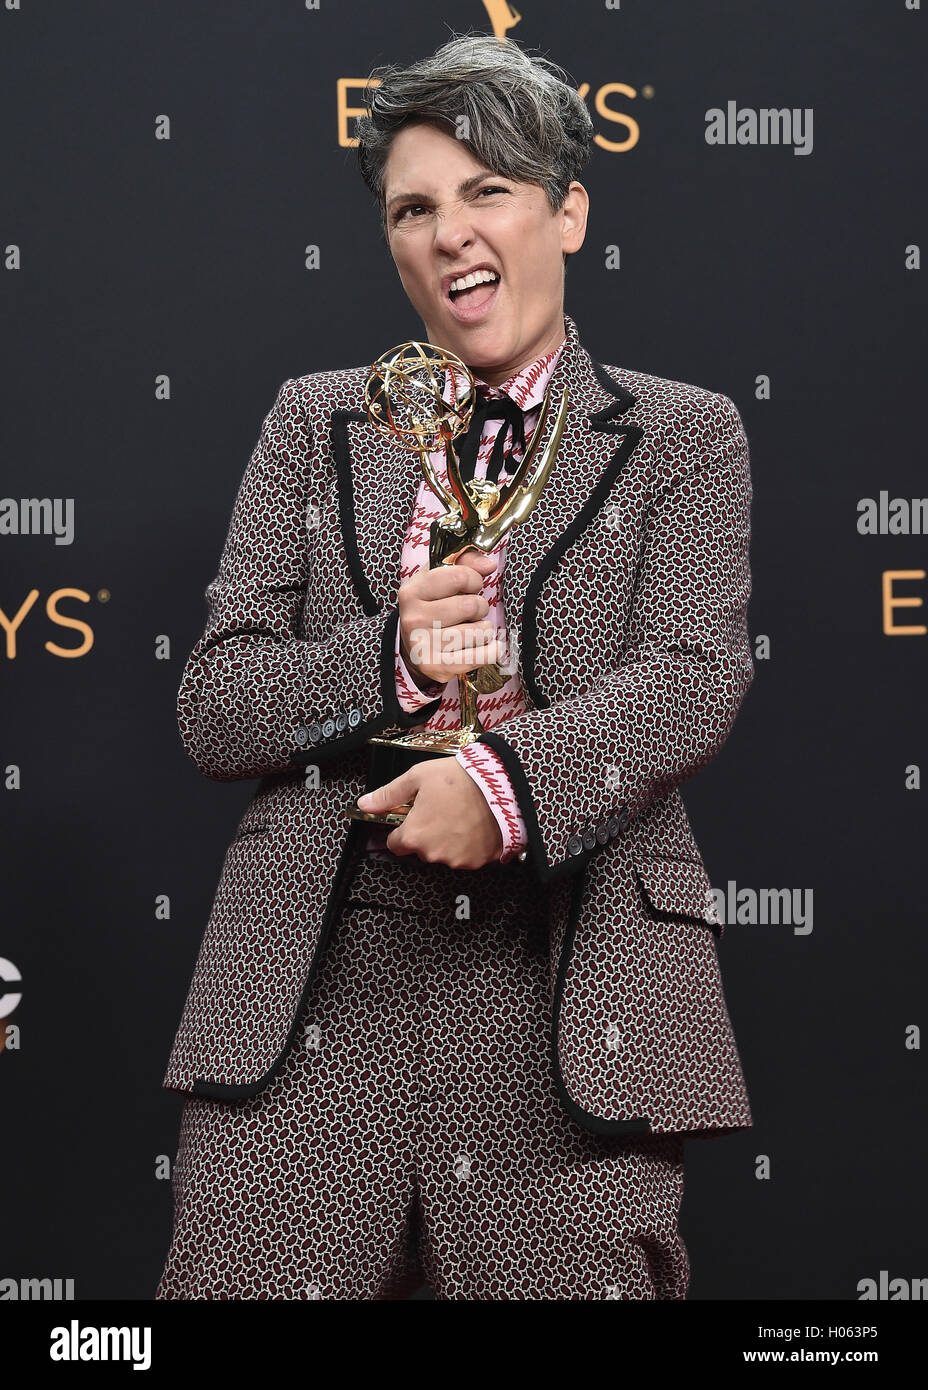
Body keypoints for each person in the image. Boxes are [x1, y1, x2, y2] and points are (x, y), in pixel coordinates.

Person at [156, 33, 755, 1301]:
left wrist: (500, 787)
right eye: (412, 207)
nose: (449, 234)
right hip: (316, 983)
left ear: (567, 211)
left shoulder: (685, 435)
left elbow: (695, 673)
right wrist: (388, 653)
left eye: (487, 190)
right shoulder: (315, 419)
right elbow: (216, 704)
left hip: (567, 980)